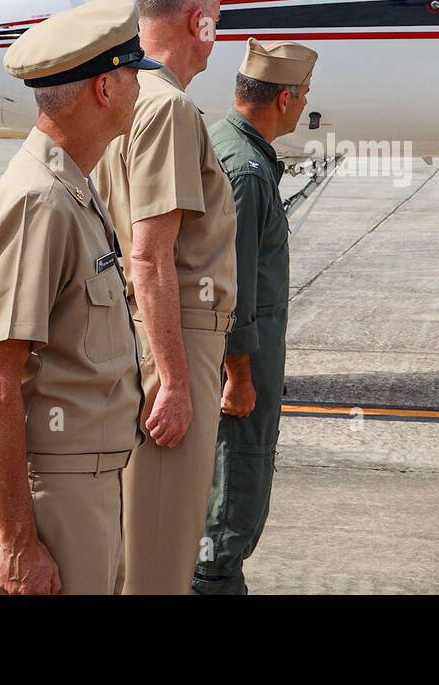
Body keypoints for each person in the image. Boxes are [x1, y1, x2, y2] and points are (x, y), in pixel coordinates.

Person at [0, 0, 153, 594]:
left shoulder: (73, 186)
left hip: (83, 485)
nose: (140, 90)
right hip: (52, 494)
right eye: (132, 76)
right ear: (104, 88)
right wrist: (19, 542)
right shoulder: (40, 202)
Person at [92, 0, 238, 595]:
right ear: (197, 21)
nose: (217, 36)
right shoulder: (170, 108)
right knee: (159, 554)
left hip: (136, 333)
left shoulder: (126, 98)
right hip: (175, 338)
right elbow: (150, 253)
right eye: (217, 20)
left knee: (130, 543)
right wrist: (175, 381)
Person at [194, 37, 318, 595]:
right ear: (286, 98)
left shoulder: (224, 143)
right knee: (237, 475)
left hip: (230, 348)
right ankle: (214, 579)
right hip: (242, 354)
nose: (305, 103)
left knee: (226, 472)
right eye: (305, 93)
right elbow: (232, 288)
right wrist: (240, 377)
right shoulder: (244, 170)